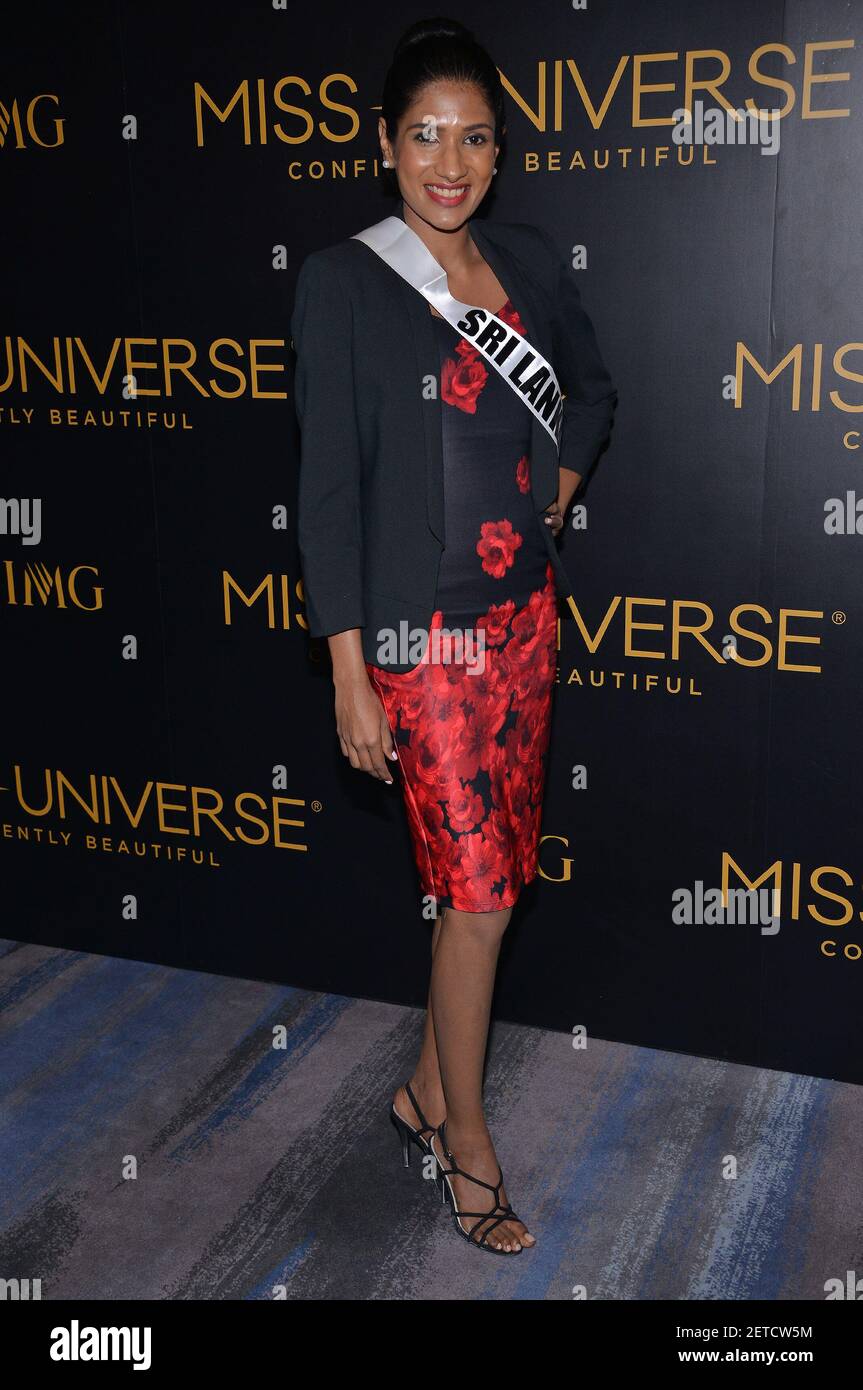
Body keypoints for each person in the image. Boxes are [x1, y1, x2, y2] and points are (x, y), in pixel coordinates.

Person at [291, 16, 617, 1255]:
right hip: (419, 649)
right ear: (384, 143)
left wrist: (554, 501)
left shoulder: (526, 262)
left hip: (523, 625)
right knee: (476, 896)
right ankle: (463, 1143)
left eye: (473, 138)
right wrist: (346, 674)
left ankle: (423, 1087)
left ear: (496, 153)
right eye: (424, 133)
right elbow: (325, 489)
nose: (448, 160)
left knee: (494, 881)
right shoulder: (341, 281)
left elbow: (591, 391)